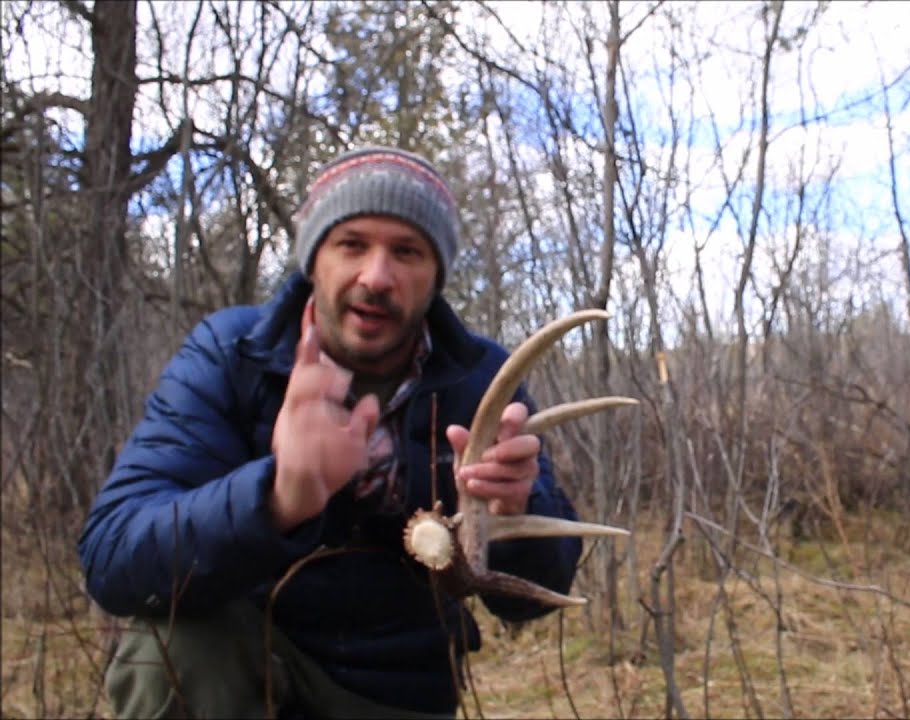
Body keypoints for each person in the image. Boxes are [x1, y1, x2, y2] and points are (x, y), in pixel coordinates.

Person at [78, 146, 584, 718]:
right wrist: (275, 499)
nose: (377, 277)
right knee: (174, 648)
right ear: (313, 259)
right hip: (245, 662)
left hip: (397, 686)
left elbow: (536, 597)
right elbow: (112, 557)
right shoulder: (232, 354)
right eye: (352, 244)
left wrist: (512, 514)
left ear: (435, 276)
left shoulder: (481, 379)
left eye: (407, 251)